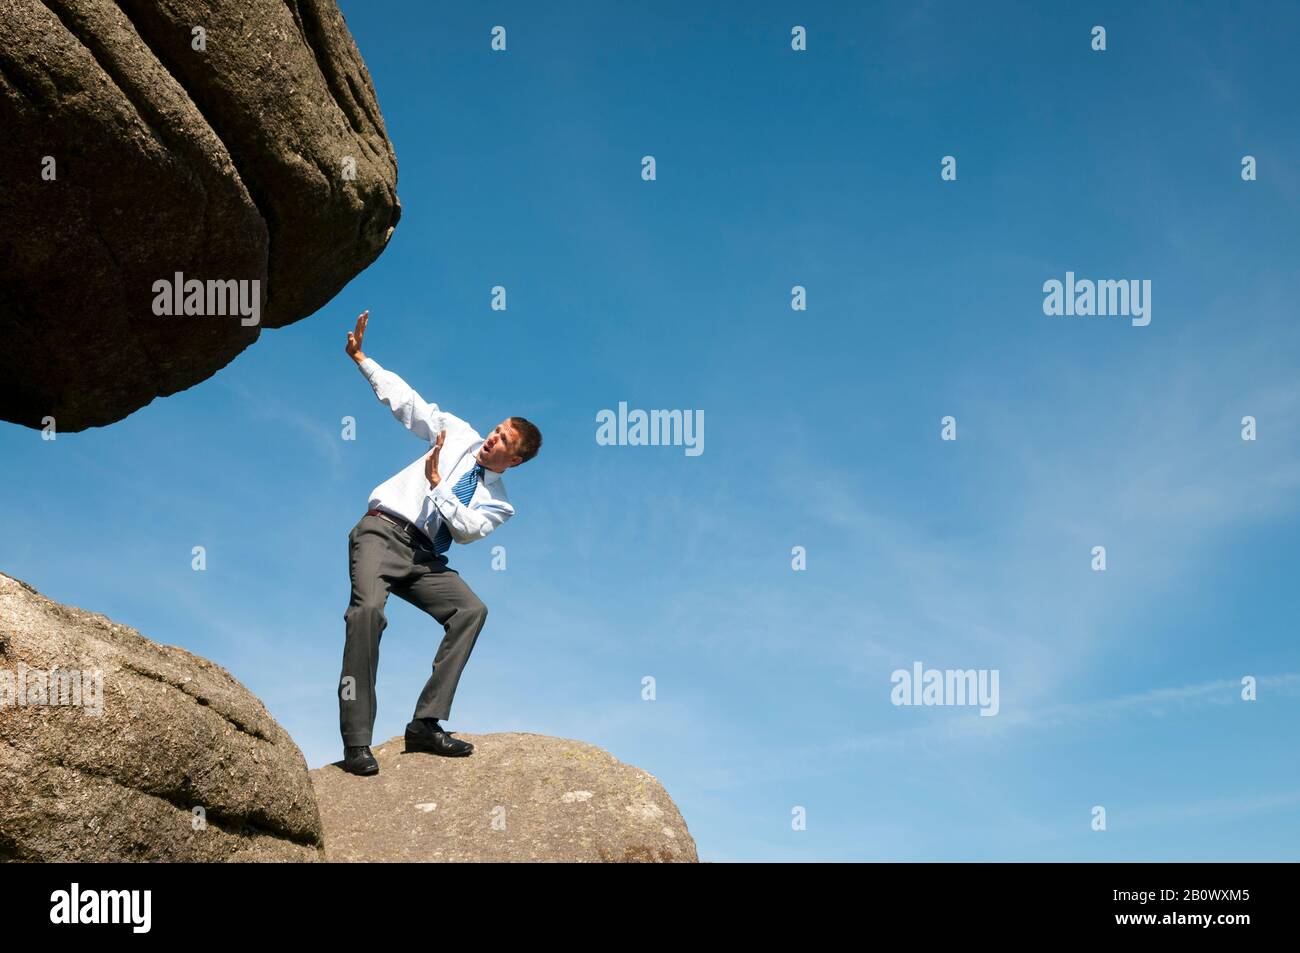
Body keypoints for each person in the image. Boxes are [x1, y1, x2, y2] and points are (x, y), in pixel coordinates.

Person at [337, 310, 541, 776]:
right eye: (497, 429)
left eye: (504, 440)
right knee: (367, 613)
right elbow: (409, 403)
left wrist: (438, 488)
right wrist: (363, 360)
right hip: (382, 531)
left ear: (515, 459)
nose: (493, 438)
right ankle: (356, 743)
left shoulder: (500, 502)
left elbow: (467, 530)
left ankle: (425, 724)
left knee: (471, 610)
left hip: (425, 558)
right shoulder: (458, 435)